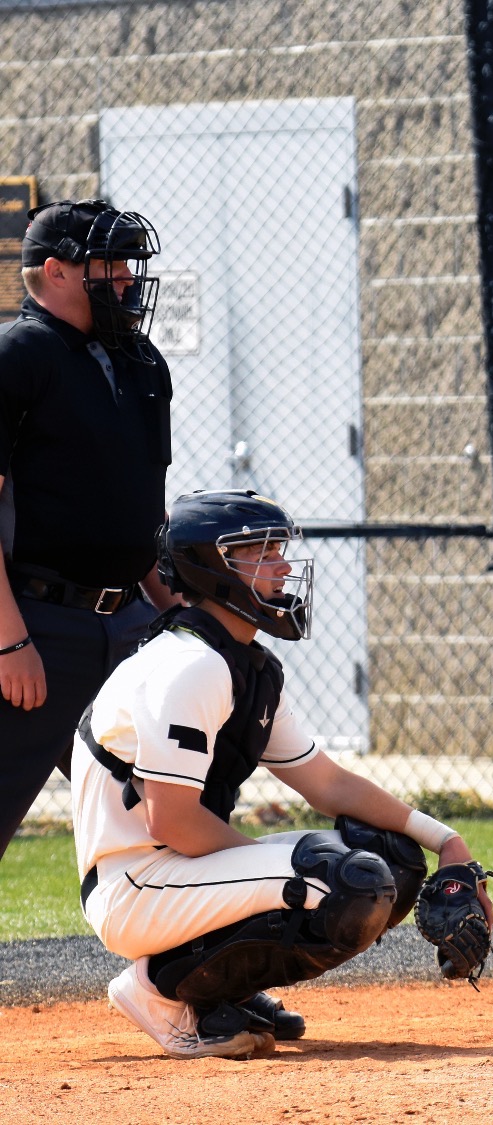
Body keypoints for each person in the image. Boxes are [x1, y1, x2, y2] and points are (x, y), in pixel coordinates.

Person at [72, 489, 493, 1059]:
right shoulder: (187, 667)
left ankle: (223, 987)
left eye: (279, 548)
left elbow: (329, 784)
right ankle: (161, 991)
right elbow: (171, 821)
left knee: (392, 855)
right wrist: (275, 882)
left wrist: (447, 841)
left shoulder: (243, 663)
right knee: (343, 880)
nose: (283, 565)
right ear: (211, 566)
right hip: (136, 884)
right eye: (258, 551)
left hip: (178, 872)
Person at [0, 198, 177, 859]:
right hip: (36, 627)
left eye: (131, 262)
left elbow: (141, 508)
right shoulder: (20, 357)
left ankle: (173, 960)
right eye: (109, 263)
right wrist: (10, 640)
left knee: (164, 812)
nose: (128, 277)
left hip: (127, 624)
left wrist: (177, 609)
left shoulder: (141, 363)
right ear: (57, 272)